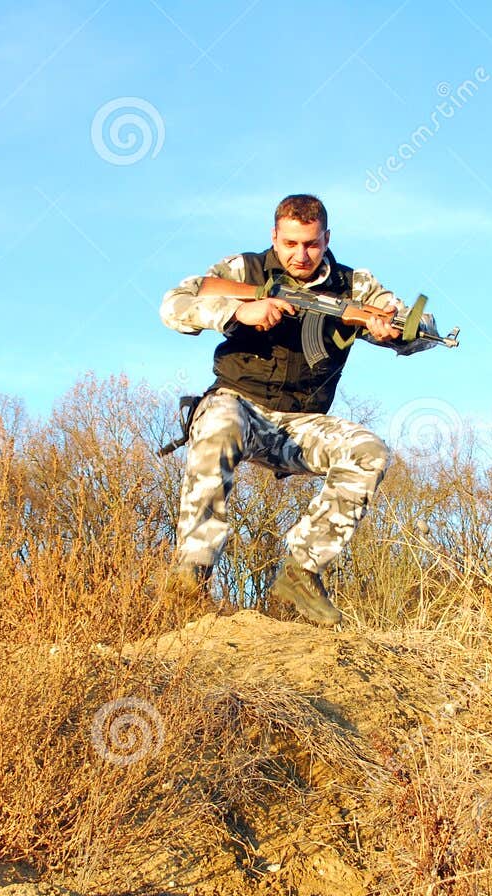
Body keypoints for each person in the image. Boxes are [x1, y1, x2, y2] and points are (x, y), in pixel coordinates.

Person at [158, 193, 409, 626]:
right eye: (290, 243)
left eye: (311, 244)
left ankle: (301, 571)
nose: (301, 254)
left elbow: (410, 324)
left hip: (302, 424)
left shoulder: (354, 285)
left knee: (369, 451)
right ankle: (191, 573)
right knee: (220, 421)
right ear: (274, 235)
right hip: (238, 406)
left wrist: (395, 332)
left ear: (327, 238)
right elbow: (174, 305)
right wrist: (240, 311)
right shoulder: (244, 270)